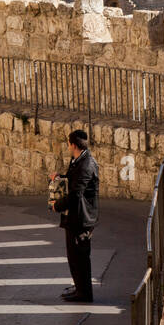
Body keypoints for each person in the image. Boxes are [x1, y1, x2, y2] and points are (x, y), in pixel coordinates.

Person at [51, 129, 99, 303]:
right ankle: (79, 289)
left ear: (72, 145)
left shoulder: (86, 165)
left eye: (68, 144)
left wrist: (57, 206)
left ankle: (85, 293)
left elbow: (75, 194)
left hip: (81, 218)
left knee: (80, 257)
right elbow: (72, 181)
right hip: (74, 218)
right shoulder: (78, 160)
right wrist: (60, 177)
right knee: (74, 257)